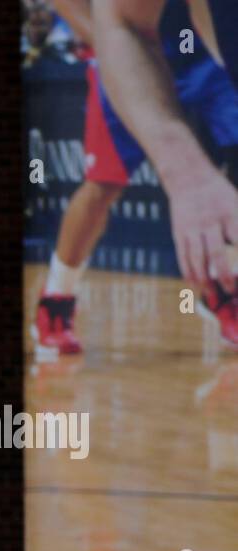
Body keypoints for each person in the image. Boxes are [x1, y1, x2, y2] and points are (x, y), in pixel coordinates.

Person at [36, 0, 238, 353]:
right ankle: (57, 299)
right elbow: (103, 19)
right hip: (130, 54)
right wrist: (109, 43)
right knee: (104, 184)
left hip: (197, 55)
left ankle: (223, 292)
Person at [94, 1, 238, 304]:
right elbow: (121, 23)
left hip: (203, 73)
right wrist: (188, 176)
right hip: (166, 73)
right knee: (101, 185)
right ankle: (58, 295)